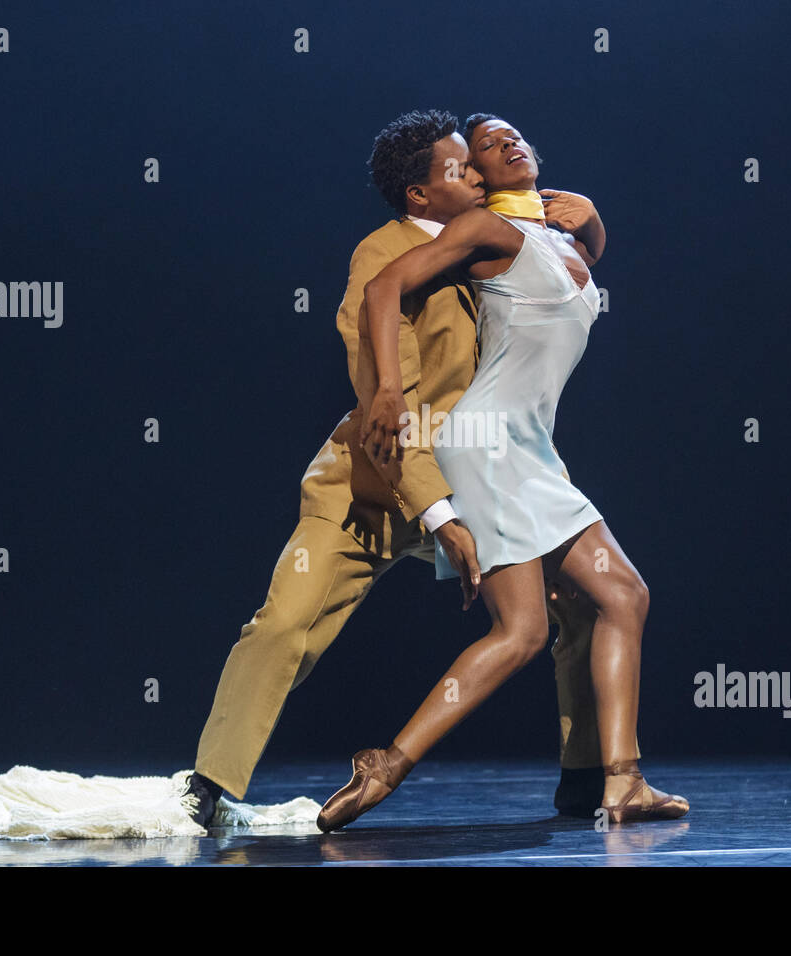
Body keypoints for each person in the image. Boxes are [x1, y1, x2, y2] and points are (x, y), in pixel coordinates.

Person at [182, 110, 616, 827]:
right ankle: (210, 783)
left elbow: (566, 275)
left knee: (582, 600)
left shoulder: (479, 242)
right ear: (418, 196)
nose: (478, 175)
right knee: (287, 621)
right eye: (460, 169)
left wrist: (592, 222)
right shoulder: (382, 256)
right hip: (376, 486)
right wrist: (441, 516)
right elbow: (393, 409)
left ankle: (584, 774)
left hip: (483, 471)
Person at [316, 115, 689, 830]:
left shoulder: (560, 239)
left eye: (514, 135)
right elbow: (383, 288)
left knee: (620, 596)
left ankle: (623, 781)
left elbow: (576, 280)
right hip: (487, 443)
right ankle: (384, 767)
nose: (506, 143)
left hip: (529, 448)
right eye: (487, 145)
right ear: (478, 176)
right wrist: (389, 389)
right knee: (522, 632)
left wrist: (598, 224)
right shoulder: (486, 232)